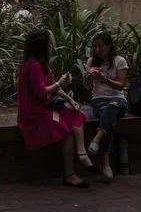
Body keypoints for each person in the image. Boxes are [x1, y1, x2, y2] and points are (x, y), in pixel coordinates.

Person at [16, 28, 92, 189]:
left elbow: (55, 88)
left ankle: (81, 151)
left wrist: (70, 99)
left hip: (46, 107)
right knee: (65, 130)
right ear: (41, 45)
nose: (51, 45)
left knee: (75, 114)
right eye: (49, 42)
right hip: (34, 113)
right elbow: (41, 92)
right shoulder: (33, 66)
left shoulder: (43, 65)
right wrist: (60, 83)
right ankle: (70, 174)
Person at [84, 32, 128, 180]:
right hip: (99, 99)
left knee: (113, 106)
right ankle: (106, 163)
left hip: (117, 99)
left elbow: (121, 86)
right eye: (95, 47)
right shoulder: (91, 61)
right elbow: (88, 88)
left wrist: (105, 79)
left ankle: (97, 138)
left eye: (101, 46)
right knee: (109, 118)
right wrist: (89, 77)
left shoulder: (119, 61)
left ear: (109, 46)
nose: (98, 50)